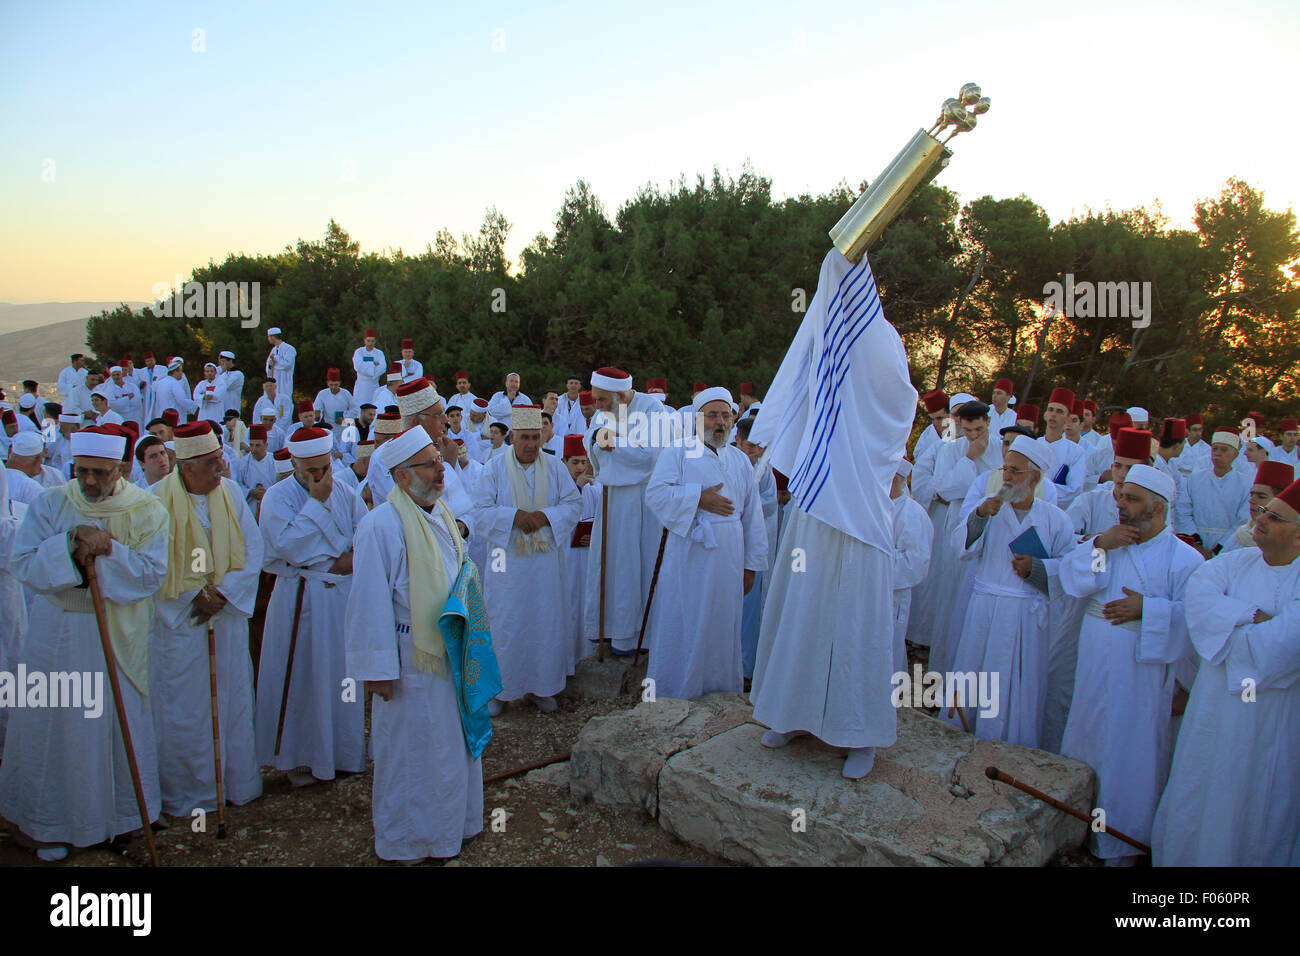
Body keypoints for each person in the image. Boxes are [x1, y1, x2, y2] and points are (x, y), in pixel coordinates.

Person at [748, 248, 916, 779]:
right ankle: (789, 712)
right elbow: (801, 380)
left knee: (858, 620)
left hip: (861, 502)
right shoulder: (825, 330)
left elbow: (894, 405)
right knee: (803, 607)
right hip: (817, 499)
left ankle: (859, 732)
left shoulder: (882, 341)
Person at [0, 426, 170, 861]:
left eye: (100, 472)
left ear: (122, 469)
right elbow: (22, 563)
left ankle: (118, 819)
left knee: (111, 727)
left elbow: (152, 574)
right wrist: (69, 543)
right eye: (82, 472)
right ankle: (50, 824)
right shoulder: (52, 502)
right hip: (56, 633)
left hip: (115, 634)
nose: (89, 482)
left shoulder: (146, 510)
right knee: (57, 729)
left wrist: (109, 550)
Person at [344, 426, 487, 862]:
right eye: (430, 463)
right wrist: (377, 671)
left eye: (438, 461)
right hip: (410, 660)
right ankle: (407, 842)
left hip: (452, 651)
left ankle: (451, 829)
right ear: (403, 477)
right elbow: (367, 601)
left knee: (450, 748)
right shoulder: (380, 526)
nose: (440, 469)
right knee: (410, 752)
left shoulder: (441, 514)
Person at [1150, 476, 1300, 866]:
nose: (1261, 518)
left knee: (1250, 801)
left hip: (1268, 718)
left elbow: (1284, 646)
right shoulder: (1234, 562)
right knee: (1199, 786)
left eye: (1276, 517)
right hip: (1212, 707)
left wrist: (1226, 632)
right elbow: (1198, 604)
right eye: (1265, 510)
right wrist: (1251, 615)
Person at [1057, 464, 1202, 864]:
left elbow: (1196, 621)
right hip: (1095, 664)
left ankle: (1121, 842)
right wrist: (1100, 545)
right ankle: (1072, 826)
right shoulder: (1109, 543)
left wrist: (1149, 610)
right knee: (1087, 733)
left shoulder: (1183, 560)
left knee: (1130, 751)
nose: (1120, 505)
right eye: (1120, 496)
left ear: (1158, 509)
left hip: (1141, 675)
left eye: (1132, 499)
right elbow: (1073, 579)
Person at [149, 421, 264, 819]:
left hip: (226, 617)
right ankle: (188, 795)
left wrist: (222, 593)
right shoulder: (154, 502)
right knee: (185, 708)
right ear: (187, 468)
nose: (222, 470)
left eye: (221, 460)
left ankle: (236, 784)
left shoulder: (230, 494)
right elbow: (151, 561)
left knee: (232, 700)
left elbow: (253, 549)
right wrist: (191, 595)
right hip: (182, 625)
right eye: (213, 464)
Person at [943, 435, 1076, 748]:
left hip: (1024, 616)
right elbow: (960, 549)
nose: (1007, 477)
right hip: (985, 609)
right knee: (973, 675)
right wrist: (978, 517)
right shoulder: (989, 508)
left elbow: (1071, 568)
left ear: (1035, 477)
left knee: (1013, 686)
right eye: (1005, 469)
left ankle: (1009, 745)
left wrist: (1039, 568)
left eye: (1016, 471)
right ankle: (958, 738)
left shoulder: (1056, 519)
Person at [255, 426, 368, 787]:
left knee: (340, 677)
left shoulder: (347, 493)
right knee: (304, 675)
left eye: (326, 468)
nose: (321, 477)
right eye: (312, 471)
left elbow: (361, 539)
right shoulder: (277, 497)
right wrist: (317, 506)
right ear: (296, 465)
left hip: (339, 601)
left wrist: (336, 559)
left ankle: (344, 752)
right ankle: (301, 759)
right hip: (300, 598)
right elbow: (288, 546)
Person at [640, 388, 767, 700]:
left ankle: (719, 690)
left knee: (723, 622)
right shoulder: (677, 452)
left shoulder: (740, 460)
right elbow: (655, 494)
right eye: (712, 415)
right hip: (689, 555)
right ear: (697, 419)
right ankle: (675, 691)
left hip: (730, 556)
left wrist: (751, 565)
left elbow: (752, 516)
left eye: (725, 415)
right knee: (686, 618)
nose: (719, 422)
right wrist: (699, 497)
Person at [471, 405, 580, 713]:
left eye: (536, 437)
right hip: (508, 567)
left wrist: (545, 517)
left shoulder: (556, 467)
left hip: (546, 566)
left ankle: (542, 687)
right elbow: (478, 513)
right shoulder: (493, 468)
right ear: (512, 438)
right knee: (506, 624)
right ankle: (501, 692)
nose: (531, 444)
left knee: (545, 623)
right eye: (524, 438)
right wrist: (514, 517)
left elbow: (574, 503)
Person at [583, 367, 667, 655]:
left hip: (641, 503)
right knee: (607, 562)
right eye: (595, 399)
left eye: (602, 400)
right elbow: (591, 436)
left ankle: (636, 637)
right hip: (612, 500)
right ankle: (606, 630)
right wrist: (597, 438)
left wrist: (614, 442)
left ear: (621, 395)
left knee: (636, 565)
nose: (597, 406)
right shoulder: (605, 408)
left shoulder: (653, 411)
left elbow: (648, 457)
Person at [1174, 429, 1252, 558]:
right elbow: (1182, 511)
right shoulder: (1194, 480)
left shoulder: (1245, 484)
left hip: (1229, 548)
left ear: (1235, 454)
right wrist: (1196, 544)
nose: (1217, 454)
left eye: (1223, 450)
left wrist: (1220, 548)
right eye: (1214, 449)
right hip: (1194, 546)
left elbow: (1242, 521)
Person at [889, 458, 933, 674]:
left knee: (889, 650)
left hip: (892, 599)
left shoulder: (912, 514)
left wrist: (875, 566)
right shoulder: (873, 508)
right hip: (865, 595)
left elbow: (916, 564)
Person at [561, 434, 600, 662]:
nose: (579, 467)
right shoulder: (557, 488)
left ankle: (586, 654)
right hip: (566, 561)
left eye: (583, 462)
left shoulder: (594, 490)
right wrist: (576, 488)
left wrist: (595, 535)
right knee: (569, 607)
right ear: (564, 462)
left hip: (587, 561)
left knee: (586, 605)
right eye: (574, 462)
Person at [1220, 460, 1294, 552]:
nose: (1251, 501)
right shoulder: (1242, 535)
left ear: (1279, 502)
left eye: (1261, 496)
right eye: (1252, 494)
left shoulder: (1289, 544)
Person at [313, 368, 357, 458]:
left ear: (339, 383)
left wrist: (344, 418)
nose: (333, 387)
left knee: (344, 453)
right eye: (331, 385)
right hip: (330, 428)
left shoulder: (346, 394)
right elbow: (317, 410)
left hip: (344, 428)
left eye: (336, 384)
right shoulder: (322, 394)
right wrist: (317, 415)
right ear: (327, 383)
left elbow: (355, 410)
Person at [237, 424, 276, 517]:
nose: (253, 449)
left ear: (266, 445)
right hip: (250, 507)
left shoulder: (274, 461)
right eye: (251, 445)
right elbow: (237, 485)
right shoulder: (243, 463)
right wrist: (250, 492)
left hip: (271, 505)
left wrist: (267, 494)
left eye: (257, 445)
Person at [350, 329, 386, 407]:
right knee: (359, 407)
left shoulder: (379, 353)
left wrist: (368, 368)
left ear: (375, 342)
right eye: (368, 340)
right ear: (365, 341)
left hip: (374, 385)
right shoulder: (359, 352)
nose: (370, 343)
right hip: (361, 385)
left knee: (374, 406)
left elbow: (383, 367)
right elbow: (358, 366)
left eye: (372, 341)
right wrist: (373, 364)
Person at [913, 389, 949, 463]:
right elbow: (919, 461)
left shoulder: (963, 431)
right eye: (932, 419)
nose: (935, 423)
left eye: (940, 418)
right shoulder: (928, 433)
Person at [265, 328, 296, 402]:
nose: (268, 339)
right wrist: (271, 365)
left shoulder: (289, 349)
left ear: (273, 337)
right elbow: (268, 366)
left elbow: (287, 364)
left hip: (284, 381)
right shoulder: (273, 350)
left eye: (269, 337)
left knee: (284, 402)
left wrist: (276, 358)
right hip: (275, 381)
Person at [217, 350, 244, 417]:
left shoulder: (238, 374)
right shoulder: (219, 372)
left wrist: (223, 372)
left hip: (231, 406)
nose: (221, 364)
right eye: (220, 361)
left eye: (223, 361)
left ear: (230, 361)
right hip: (220, 407)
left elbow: (224, 386)